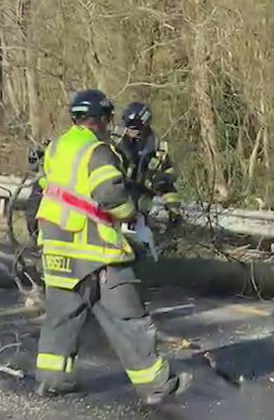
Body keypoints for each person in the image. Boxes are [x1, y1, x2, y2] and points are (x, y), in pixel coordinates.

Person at [32, 88, 187, 404]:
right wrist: (132, 213)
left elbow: (49, 188)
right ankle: (156, 385)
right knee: (129, 319)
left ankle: (52, 380)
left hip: (57, 248)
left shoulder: (57, 147)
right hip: (96, 252)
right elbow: (110, 194)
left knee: (61, 319)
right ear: (101, 119)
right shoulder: (98, 151)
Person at [115, 101, 180, 213]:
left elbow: (167, 182)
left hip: (142, 208)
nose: (131, 130)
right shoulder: (115, 143)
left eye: (135, 126)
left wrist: (173, 210)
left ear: (145, 125)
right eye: (128, 125)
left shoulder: (158, 150)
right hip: (115, 205)